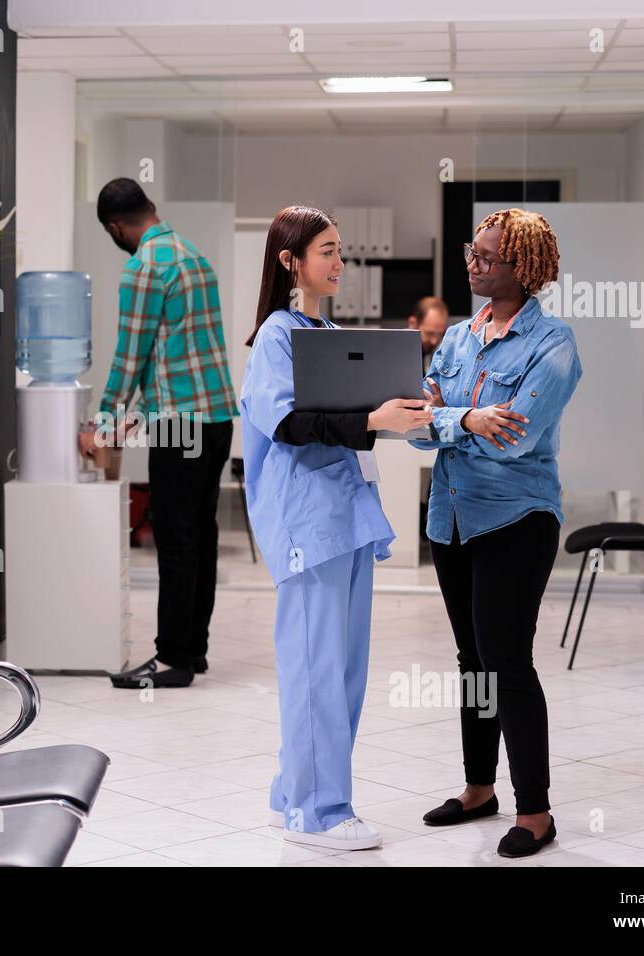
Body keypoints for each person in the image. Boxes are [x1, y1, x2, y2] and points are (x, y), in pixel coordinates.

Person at [242, 205, 432, 850]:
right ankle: (318, 814)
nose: (339, 262)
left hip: (345, 516)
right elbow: (289, 423)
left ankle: (292, 791)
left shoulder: (322, 330)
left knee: (344, 671)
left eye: (340, 250)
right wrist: (373, 421)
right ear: (289, 260)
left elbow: (345, 413)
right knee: (314, 669)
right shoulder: (277, 336)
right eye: (326, 251)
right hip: (308, 523)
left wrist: (402, 408)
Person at [410, 207, 582, 858]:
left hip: (516, 518)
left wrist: (451, 419)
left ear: (523, 267)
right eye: (471, 252)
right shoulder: (457, 337)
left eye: (486, 257)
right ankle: (479, 787)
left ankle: (535, 812)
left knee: (506, 660)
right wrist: (467, 419)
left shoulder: (552, 344)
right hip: (451, 517)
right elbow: (414, 422)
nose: (473, 264)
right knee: (471, 661)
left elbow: (514, 439)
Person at [83, 178, 238, 690]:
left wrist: (103, 423)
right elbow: (178, 355)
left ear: (115, 227)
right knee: (201, 535)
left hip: (180, 425)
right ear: (150, 206)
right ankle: (194, 650)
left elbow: (131, 355)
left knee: (174, 540)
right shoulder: (194, 257)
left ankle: (172, 659)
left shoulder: (144, 267)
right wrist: (137, 415)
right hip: (216, 418)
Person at [407, 295, 449, 373]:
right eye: (429, 334)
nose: (434, 341)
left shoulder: (436, 354)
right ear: (413, 323)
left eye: (440, 334)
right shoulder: (396, 354)